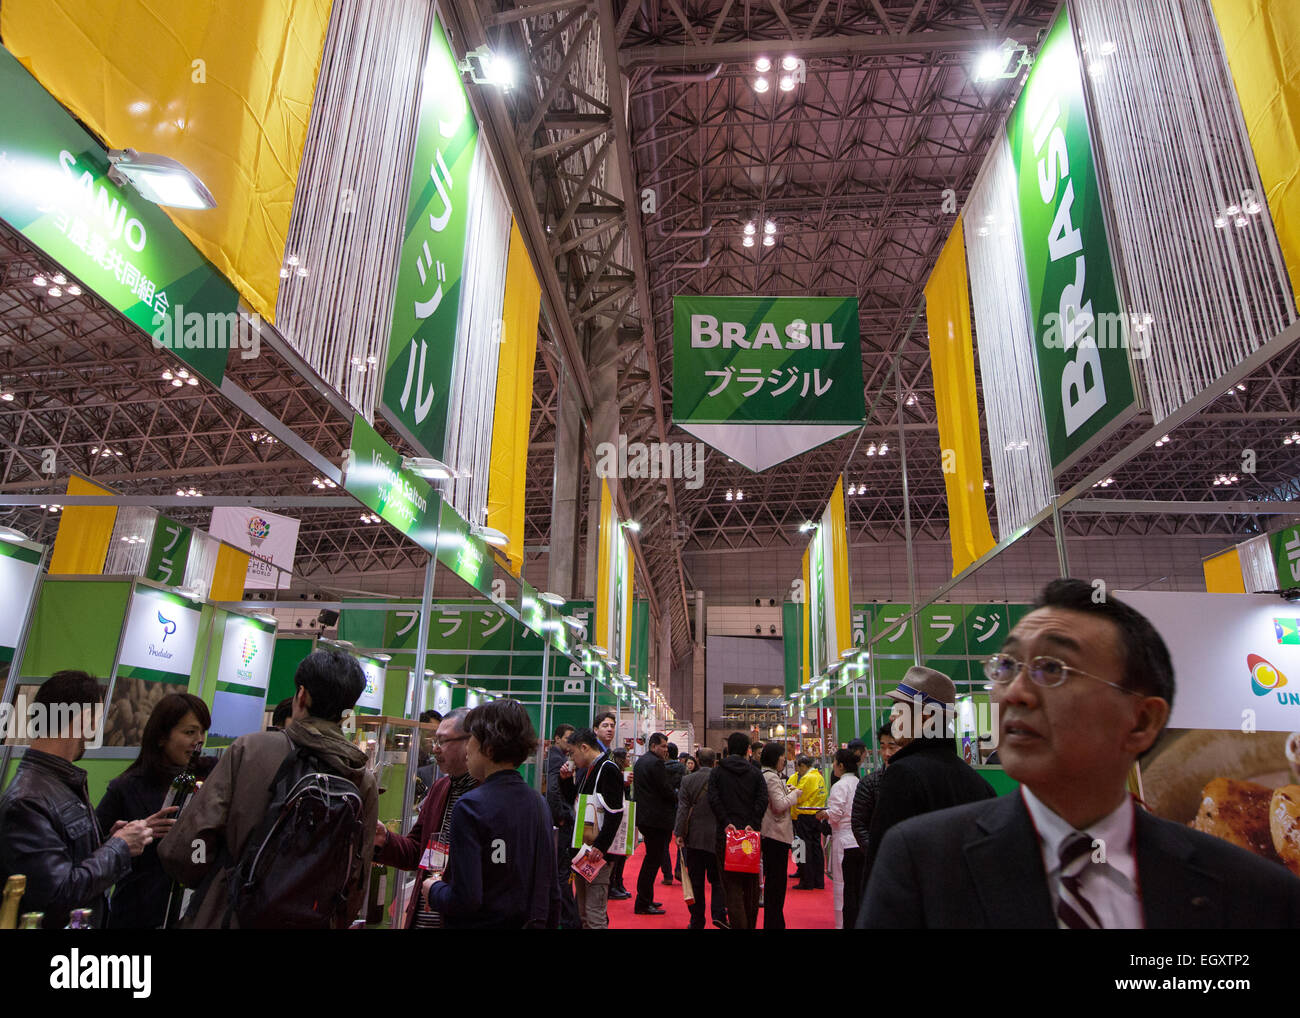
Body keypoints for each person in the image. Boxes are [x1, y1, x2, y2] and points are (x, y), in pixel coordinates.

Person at [861, 579, 1300, 928]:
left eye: (1053, 669)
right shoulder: (921, 862)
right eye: (1006, 666)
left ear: (1143, 721)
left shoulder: (1253, 894)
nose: (1015, 692)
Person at [159, 648, 380, 929]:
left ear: (302, 695)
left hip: (232, 914)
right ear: (349, 708)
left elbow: (193, 840)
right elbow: (357, 875)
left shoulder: (250, 749)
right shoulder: (361, 777)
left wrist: (210, 875)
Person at [0, 671, 154, 929]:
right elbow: (56, 897)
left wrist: (107, 843)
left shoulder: (59, 784)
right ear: (84, 719)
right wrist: (118, 849)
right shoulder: (27, 800)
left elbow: (64, 864)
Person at [857, 666, 995, 902]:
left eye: (899, 708)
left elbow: (885, 866)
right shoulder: (979, 783)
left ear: (926, 716)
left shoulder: (903, 775)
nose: (892, 716)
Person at [422, 699, 559, 928]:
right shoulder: (538, 803)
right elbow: (551, 888)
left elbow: (466, 898)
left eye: (472, 740)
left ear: (488, 748)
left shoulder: (470, 807)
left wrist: (434, 890)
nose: (467, 748)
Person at [95, 692, 211, 928]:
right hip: (137, 915)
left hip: (191, 914)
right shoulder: (126, 787)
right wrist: (129, 837)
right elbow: (92, 853)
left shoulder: (210, 778)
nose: (198, 741)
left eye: (202, 732)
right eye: (189, 733)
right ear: (161, 736)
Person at [372, 707, 477, 929]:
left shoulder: (488, 795)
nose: (435, 749)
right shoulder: (440, 788)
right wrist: (384, 839)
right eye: (434, 741)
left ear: (470, 743)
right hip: (422, 918)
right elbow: (416, 851)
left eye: (443, 741)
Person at [559, 727, 626, 929]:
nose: (572, 757)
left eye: (573, 752)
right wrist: (565, 781)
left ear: (585, 747)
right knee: (584, 914)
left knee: (594, 914)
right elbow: (576, 801)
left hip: (596, 854)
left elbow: (616, 813)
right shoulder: (588, 769)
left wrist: (600, 847)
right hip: (584, 850)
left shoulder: (608, 769)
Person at [707, 732, 768, 930]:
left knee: (731, 887)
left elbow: (713, 799)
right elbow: (762, 800)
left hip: (726, 836)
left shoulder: (717, 772)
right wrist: (752, 823)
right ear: (747, 750)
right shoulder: (755, 773)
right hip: (750, 836)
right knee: (750, 887)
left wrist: (725, 822)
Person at [848, 721, 899, 922]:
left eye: (892, 746)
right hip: (875, 862)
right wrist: (876, 852)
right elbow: (858, 823)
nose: (886, 753)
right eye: (883, 746)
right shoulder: (869, 783)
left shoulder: (915, 780)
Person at [674, 747, 728, 929]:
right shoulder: (722, 780)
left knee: (696, 881)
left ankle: (697, 920)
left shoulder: (688, 780)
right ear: (715, 761)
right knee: (718, 880)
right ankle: (719, 914)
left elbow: (682, 810)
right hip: (718, 837)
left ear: (697, 760)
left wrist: (679, 833)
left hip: (694, 837)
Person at [632, 732, 676, 915]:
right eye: (663, 746)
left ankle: (646, 899)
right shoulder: (656, 763)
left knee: (652, 859)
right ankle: (643, 902)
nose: (666, 750)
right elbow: (664, 789)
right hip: (656, 819)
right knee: (652, 861)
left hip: (646, 817)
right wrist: (676, 795)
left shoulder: (641, 762)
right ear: (653, 746)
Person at [759, 741, 801, 930]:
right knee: (776, 884)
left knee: (775, 884)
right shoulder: (772, 778)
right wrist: (795, 795)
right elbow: (779, 805)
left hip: (772, 835)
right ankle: (774, 923)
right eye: (782, 756)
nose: (784, 759)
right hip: (775, 835)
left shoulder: (768, 776)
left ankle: (775, 921)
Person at [818, 748, 861, 929]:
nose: (833, 766)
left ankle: (841, 924)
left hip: (843, 839)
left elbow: (835, 815)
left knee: (841, 886)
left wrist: (823, 815)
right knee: (856, 887)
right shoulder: (859, 782)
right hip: (858, 840)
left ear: (841, 766)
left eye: (835, 763)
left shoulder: (839, 786)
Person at [545, 723, 580, 928]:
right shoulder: (556, 759)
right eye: (567, 738)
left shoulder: (560, 758)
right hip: (559, 822)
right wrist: (560, 815)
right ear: (557, 738)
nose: (570, 742)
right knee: (562, 872)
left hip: (559, 820)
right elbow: (553, 789)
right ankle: (566, 917)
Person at [789, 754, 827, 889]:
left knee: (804, 849)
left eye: (798, 767)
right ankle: (818, 880)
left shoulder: (807, 777)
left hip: (805, 816)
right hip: (816, 815)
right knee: (816, 848)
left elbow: (799, 796)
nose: (797, 770)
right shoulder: (819, 777)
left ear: (803, 766)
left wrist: (792, 790)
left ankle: (807, 881)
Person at [607, 746, 632, 899]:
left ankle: (618, 882)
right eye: (627, 756)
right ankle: (612, 884)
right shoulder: (613, 771)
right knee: (615, 852)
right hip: (616, 813)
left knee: (622, 852)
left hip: (624, 810)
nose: (629, 759)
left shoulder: (625, 771)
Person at [413, 708, 444, 803]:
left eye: (438, 735)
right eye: (432, 732)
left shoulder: (432, 758)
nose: (434, 738)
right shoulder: (411, 756)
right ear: (420, 731)